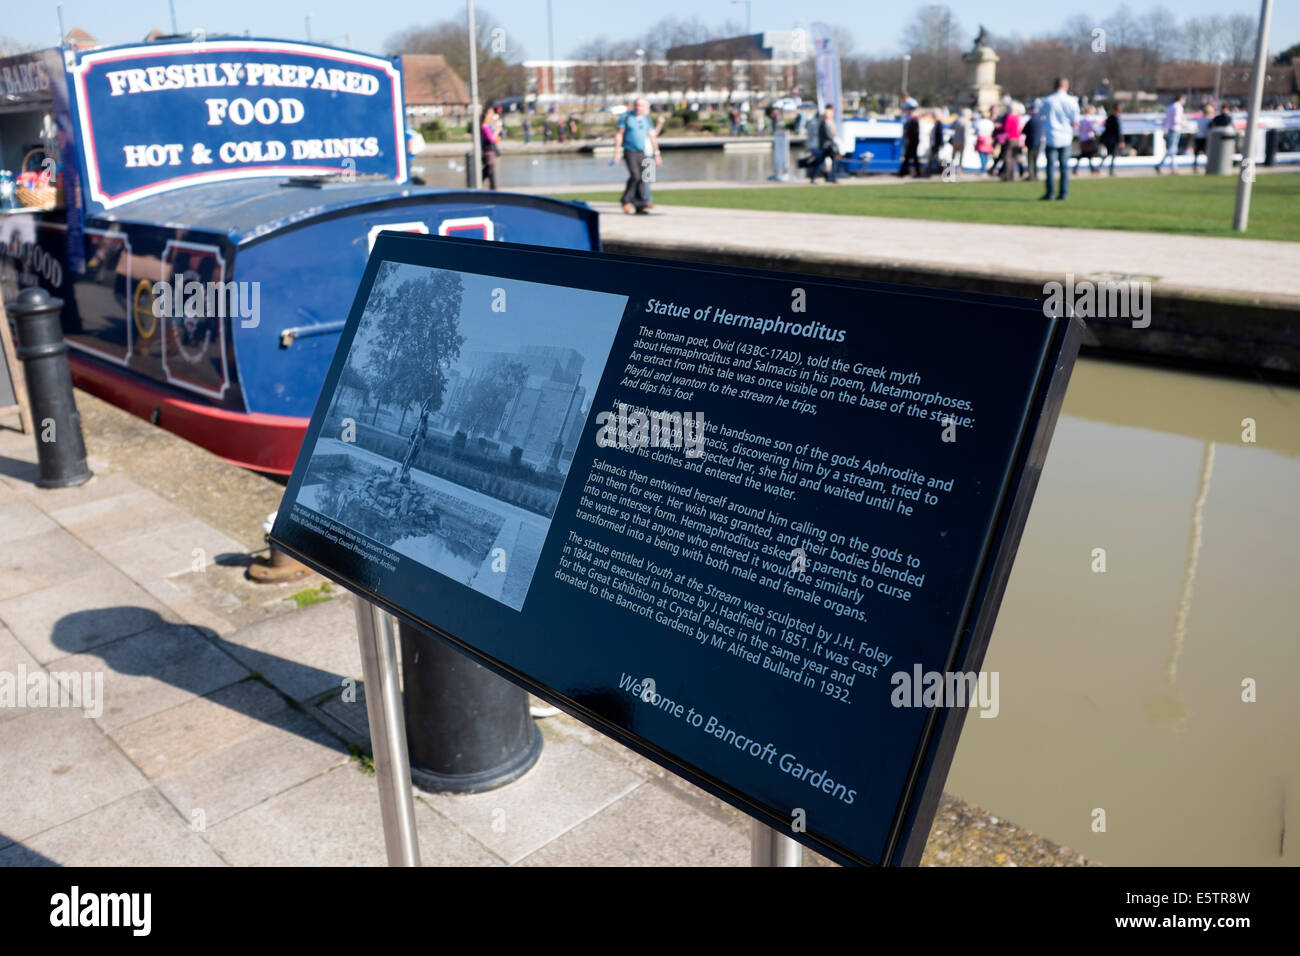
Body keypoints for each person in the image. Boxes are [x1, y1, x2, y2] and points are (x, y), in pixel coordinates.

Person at [613, 96, 661, 214]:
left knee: (646, 178)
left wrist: (657, 153)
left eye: (640, 105)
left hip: (644, 152)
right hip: (630, 151)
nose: (637, 107)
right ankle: (626, 200)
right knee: (635, 176)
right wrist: (617, 151)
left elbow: (653, 135)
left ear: (645, 107)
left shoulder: (647, 119)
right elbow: (619, 134)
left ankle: (641, 204)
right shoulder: (626, 117)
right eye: (636, 104)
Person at [1041, 76, 1080, 200]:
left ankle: (1050, 193)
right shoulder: (1071, 101)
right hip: (1065, 136)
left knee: (1050, 167)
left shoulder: (1048, 100)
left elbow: (1041, 114)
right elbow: (1075, 121)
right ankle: (1063, 193)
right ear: (1066, 86)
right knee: (1064, 167)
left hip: (1052, 136)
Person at [1155, 93, 1185, 175]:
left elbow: (1165, 120)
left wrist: (1165, 129)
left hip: (1169, 130)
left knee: (1173, 150)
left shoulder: (1170, 107)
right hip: (1175, 129)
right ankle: (1160, 164)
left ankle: (1173, 168)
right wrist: (1183, 122)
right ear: (1181, 99)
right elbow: (1176, 120)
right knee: (1172, 150)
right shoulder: (1178, 107)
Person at [810, 106, 840, 183]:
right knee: (821, 161)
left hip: (827, 146)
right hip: (826, 146)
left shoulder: (826, 123)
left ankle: (829, 177)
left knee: (826, 161)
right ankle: (829, 177)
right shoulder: (825, 124)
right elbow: (828, 135)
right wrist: (833, 135)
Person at [1000, 102, 1026, 180]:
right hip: (1017, 139)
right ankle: (1012, 175)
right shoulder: (1018, 117)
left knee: (1008, 158)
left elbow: (1006, 129)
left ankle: (1008, 175)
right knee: (1014, 158)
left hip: (1010, 138)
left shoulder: (1009, 117)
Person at [1074, 105, 1100, 175]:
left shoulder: (1082, 120)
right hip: (1088, 139)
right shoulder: (1089, 119)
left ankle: (1091, 168)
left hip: (1083, 139)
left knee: (1086, 155)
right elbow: (1092, 128)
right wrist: (1097, 124)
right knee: (1089, 154)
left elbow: (1079, 129)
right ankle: (1093, 169)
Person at [479, 106, 500, 190]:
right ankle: (492, 188)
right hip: (488, 151)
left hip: (490, 150)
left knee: (489, 170)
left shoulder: (487, 126)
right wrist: (497, 132)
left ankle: (491, 187)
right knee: (489, 170)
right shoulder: (485, 127)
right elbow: (491, 139)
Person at [897, 104, 922, 177]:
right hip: (912, 141)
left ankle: (903, 172)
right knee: (911, 157)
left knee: (910, 157)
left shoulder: (914, 119)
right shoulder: (912, 119)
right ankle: (904, 172)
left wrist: (907, 133)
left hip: (913, 141)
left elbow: (914, 132)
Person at [949, 108, 972, 179]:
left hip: (955, 141)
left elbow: (951, 127)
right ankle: (959, 169)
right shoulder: (967, 122)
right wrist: (965, 143)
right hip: (962, 141)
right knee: (961, 157)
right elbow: (965, 134)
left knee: (953, 156)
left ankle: (950, 169)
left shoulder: (957, 120)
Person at [1100, 102, 1122, 176]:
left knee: (1110, 154)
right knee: (1113, 154)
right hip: (1113, 139)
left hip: (1108, 139)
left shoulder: (1110, 117)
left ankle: (1100, 167)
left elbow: (1106, 128)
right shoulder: (1115, 118)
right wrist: (1121, 140)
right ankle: (1111, 171)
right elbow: (1118, 131)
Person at [1023, 101, 1043, 180]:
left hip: (1031, 142)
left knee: (1031, 160)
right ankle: (1035, 175)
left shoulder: (1031, 120)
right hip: (1038, 143)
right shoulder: (1039, 120)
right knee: (1035, 160)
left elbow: (1024, 131)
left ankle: (1031, 175)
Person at [1193, 102, 1213, 171]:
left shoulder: (1199, 120)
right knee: (1207, 153)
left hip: (1198, 137)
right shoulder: (1209, 120)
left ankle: (1195, 166)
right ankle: (1207, 166)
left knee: (1197, 153)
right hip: (1205, 137)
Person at [974, 108, 995, 172]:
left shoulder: (979, 122)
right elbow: (992, 131)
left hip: (981, 138)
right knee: (985, 154)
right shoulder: (990, 123)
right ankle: (984, 167)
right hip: (988, 139)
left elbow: (976, 131)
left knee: (981, 154)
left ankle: (983, 168)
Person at [928, 111, 946, 177]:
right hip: (934, 144)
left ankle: (937, 170)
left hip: (936, 144)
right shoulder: (936, 123)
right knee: (935, 157)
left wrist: (941, 144)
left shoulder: (939, 124)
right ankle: (936, 170)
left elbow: (940, 134)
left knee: (935, 157)